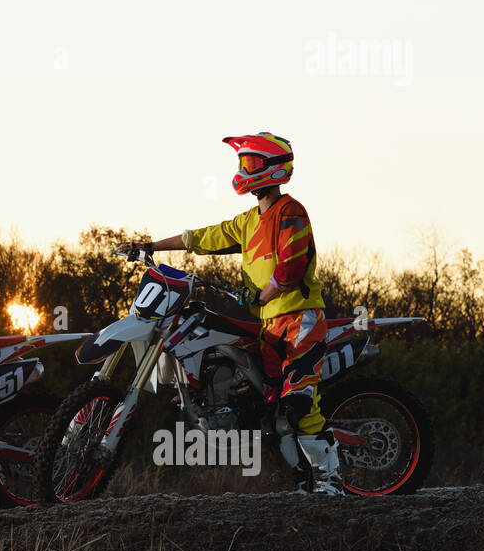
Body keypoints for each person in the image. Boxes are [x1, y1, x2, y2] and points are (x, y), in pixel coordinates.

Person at [130, 133, 341, 495]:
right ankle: (304, 484)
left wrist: (262, 293)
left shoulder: (290, 212)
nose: (244, 171)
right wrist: (151, 246)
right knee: (274, 409)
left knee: (298, 404)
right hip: (270, 327)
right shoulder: (248, 222)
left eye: (251, 164)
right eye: (242, 164)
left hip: (300, 319)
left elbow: (290, 268)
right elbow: (202, 237)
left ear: (273, 168)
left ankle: (330, 481)